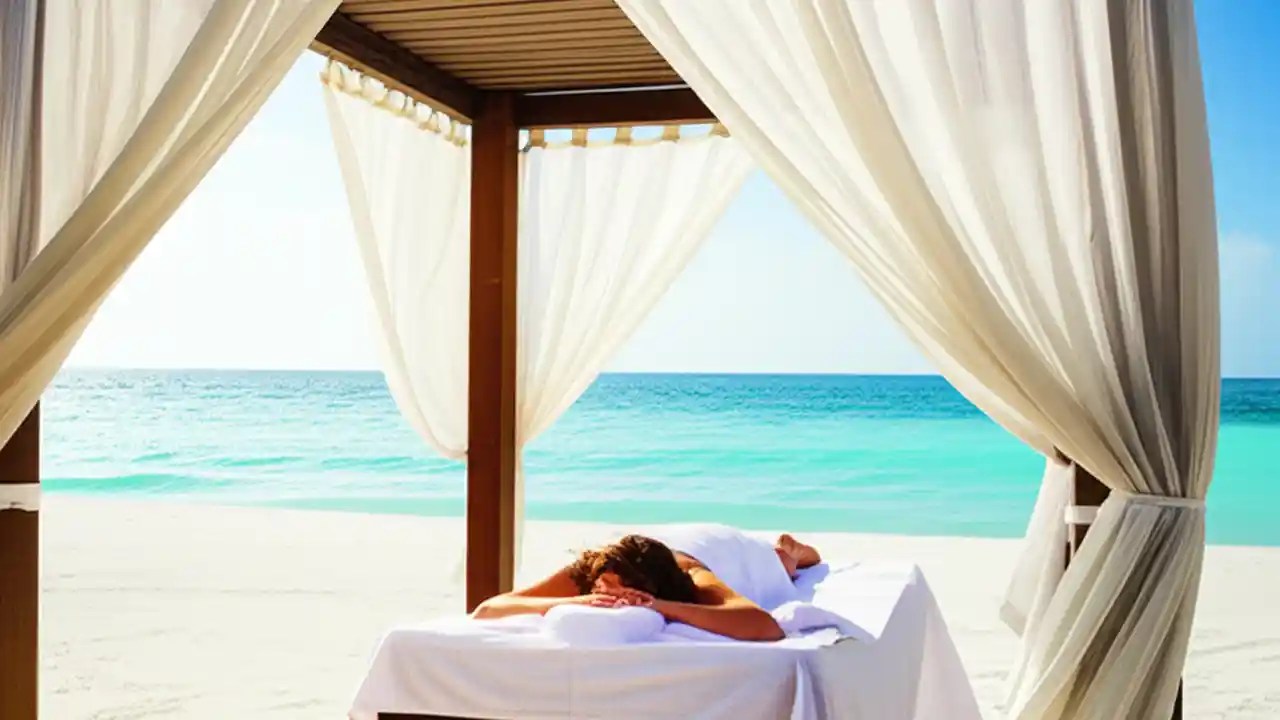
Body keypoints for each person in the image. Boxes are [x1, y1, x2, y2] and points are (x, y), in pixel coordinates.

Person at [470, 527, 821, 642]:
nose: (608, 597)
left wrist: (659, 606)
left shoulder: (689, 575)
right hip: (652, 540)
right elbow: (489, 609)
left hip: (728, 549)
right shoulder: (594, 569)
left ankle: (789, 549)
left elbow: (764, 626)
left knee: (783, 565)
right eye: (603, 588)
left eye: (622, 593)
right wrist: (573, 601)